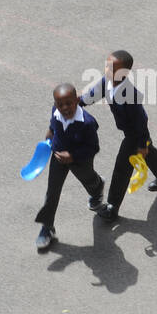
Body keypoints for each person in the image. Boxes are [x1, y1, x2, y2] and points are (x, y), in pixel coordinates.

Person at [79, 50, 157, 221]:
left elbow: (141, 121)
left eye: (112, 68)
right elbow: (91, 95)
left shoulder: (129, 94)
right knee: (148, 153)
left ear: (124, 73)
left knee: (122, 168)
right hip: (131, 132)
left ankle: (112, 207)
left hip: (135, 134)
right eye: (107, 66)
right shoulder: (107, 82)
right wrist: (78, 103)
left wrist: (141, 143)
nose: (107, 70)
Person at [33, 84, 104, 252]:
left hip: (80, 160)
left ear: (77, 101)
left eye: (68, 103)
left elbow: (93, 148)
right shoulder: (55, 111)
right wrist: (50, 133)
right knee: (52, 192)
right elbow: (53, 124)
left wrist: (72, 156)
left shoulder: (87, 123)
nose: (64, 107)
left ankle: (97, 187)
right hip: (58, 157)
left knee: (88, 179)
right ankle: (47, 227)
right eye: (60, 104)